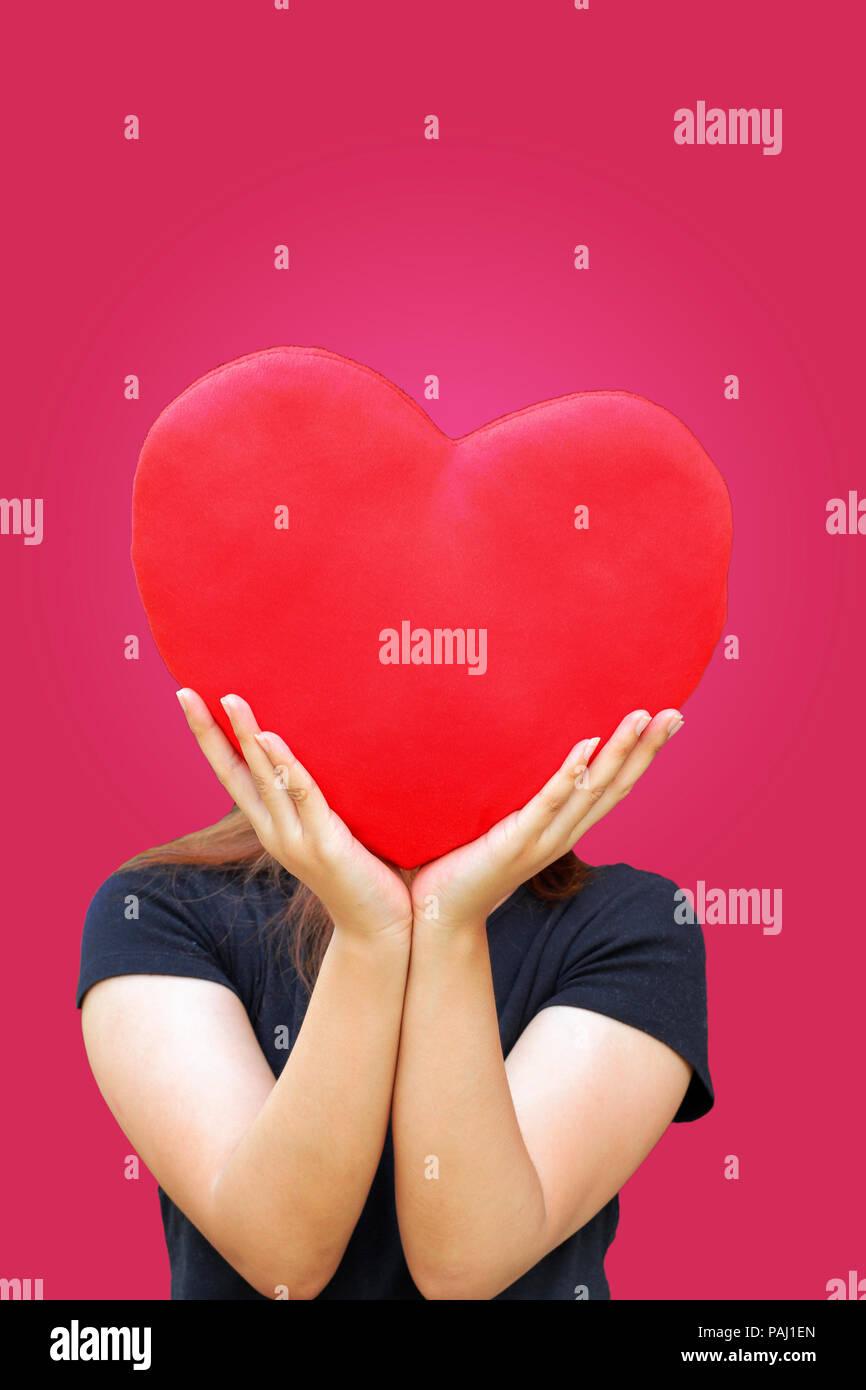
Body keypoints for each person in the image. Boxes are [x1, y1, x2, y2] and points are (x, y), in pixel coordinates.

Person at [76, 692, 713, 1300]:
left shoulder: (634, 925)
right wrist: (370, 935)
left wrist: (447, 923)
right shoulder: (157, 909)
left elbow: (466, 1266)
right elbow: (280, 1258)